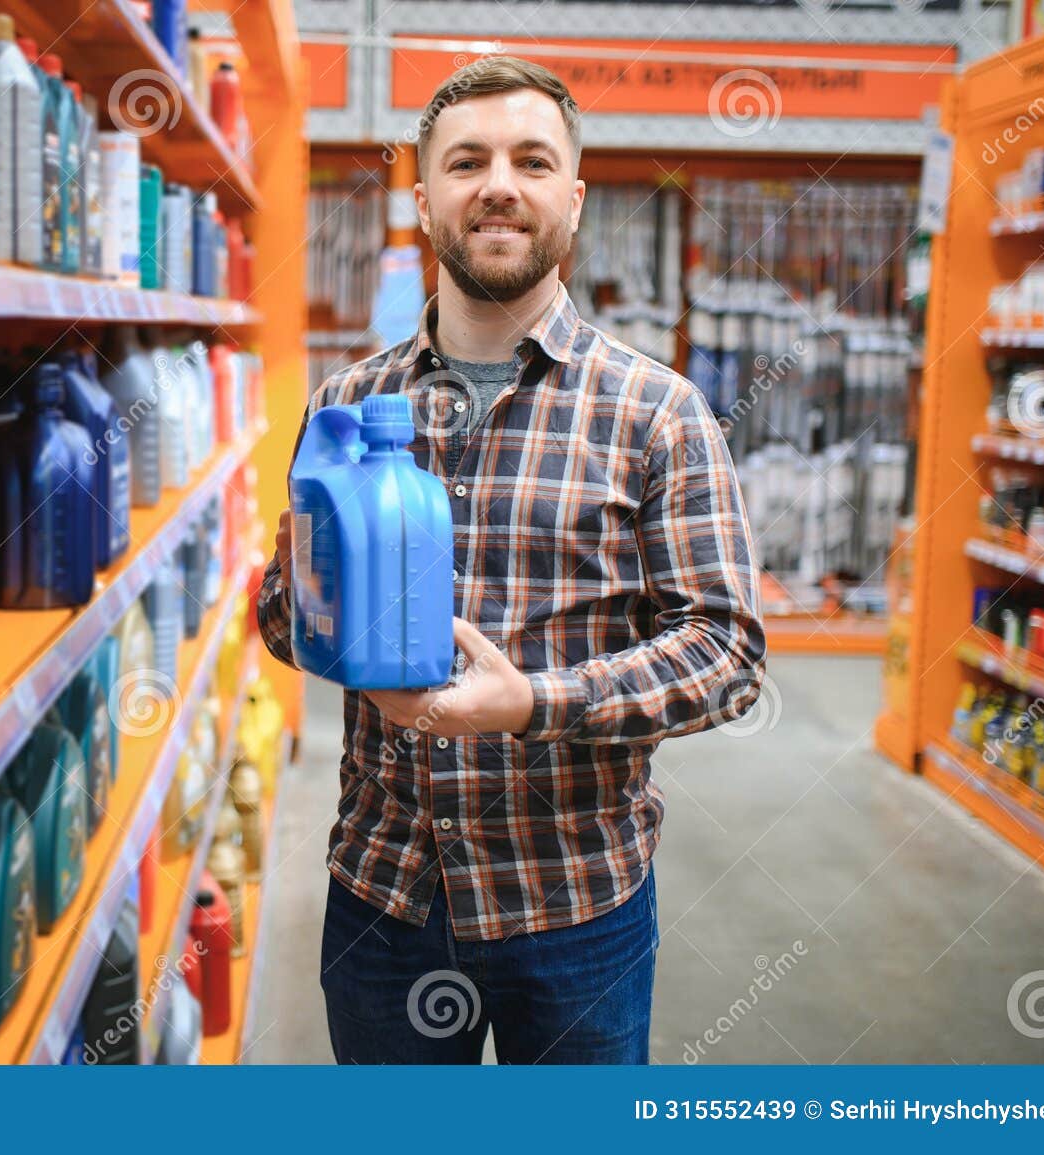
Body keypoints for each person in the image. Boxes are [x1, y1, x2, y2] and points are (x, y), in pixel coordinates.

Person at [256, 56, 767, 1064]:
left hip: (574, 904)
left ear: (571, 200)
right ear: (423, 197)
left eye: (532, 160)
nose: (498, 183)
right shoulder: (345, 407)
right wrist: (318, 623)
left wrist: (534, 703)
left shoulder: (657, 415)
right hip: (384, 893)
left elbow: (727, 653)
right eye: (467, 161)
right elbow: (281, 613)